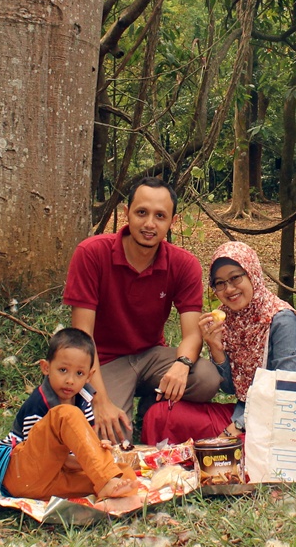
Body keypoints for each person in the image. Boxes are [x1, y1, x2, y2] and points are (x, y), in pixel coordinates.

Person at [64, 176, 222, 442]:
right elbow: (82, 339)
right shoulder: (92, 253)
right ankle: (102, 407)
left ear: (172, 222)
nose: (150, 224)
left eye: (160, 216)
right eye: (141, 213)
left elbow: (192, 334)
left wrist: (182, 365)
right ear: (126, 214)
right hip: (103, 362)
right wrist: (100, 402)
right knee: (113, 440)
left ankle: (151, 409)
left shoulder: (183, 264)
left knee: (206, 378)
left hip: (151, 357)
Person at [141, 240, 296, 444]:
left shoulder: (281, 319)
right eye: (220, 283)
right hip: (245, 412)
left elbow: (286, 390)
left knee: (230, 445)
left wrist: (237, 427)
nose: (229, 289)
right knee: (160, 414)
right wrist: (216, 349)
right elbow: (234, 389)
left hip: (284, 420)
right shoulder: (228, 317)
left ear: (253, 274)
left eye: (235, 278)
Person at [0, 327, 137, 500]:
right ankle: (105, 481)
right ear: (46, 368)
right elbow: (41, 457)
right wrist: (92, 459)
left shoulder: (84, 400)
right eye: (63, 370)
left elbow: (80, 448)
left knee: (123, 474)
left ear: (89, 376)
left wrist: (97, 449)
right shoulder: (39, 402)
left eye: (79, 373)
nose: (70, 380)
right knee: (66, 415)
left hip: (50, 483)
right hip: (21, 475)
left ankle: (107, 485)